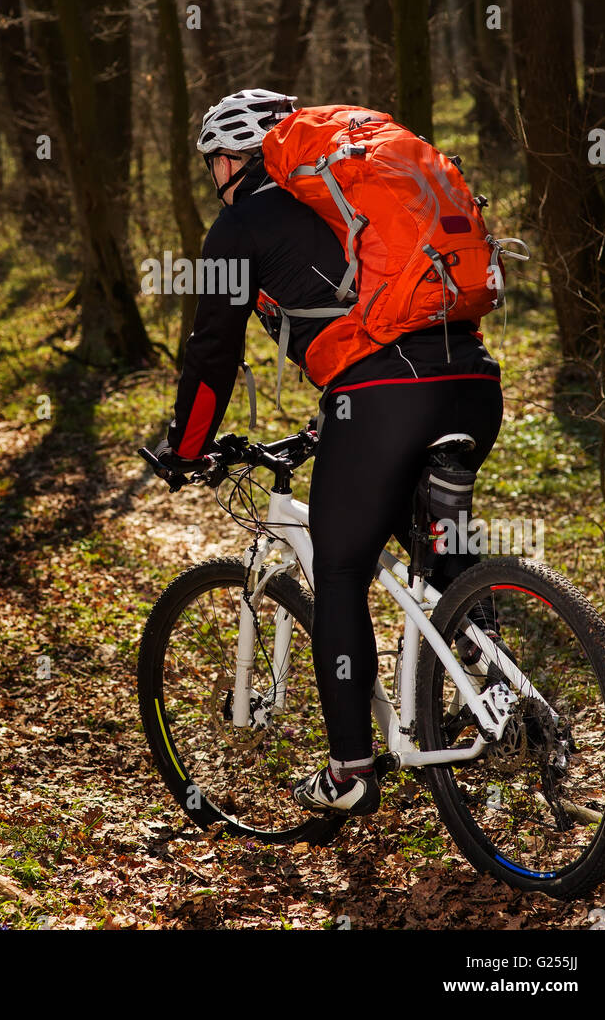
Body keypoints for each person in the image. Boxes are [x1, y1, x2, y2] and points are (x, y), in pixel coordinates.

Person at [154, 90, 503, 818]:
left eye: (212, 161)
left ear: (229, 159)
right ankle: (500, 687)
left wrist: (186, 451)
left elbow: (213, 351)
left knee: (339, 567)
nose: (212, 174)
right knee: (436, 550)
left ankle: (350, 772)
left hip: (385, 395)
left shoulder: (242, 222)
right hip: (471, 376)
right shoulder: (352, 197)